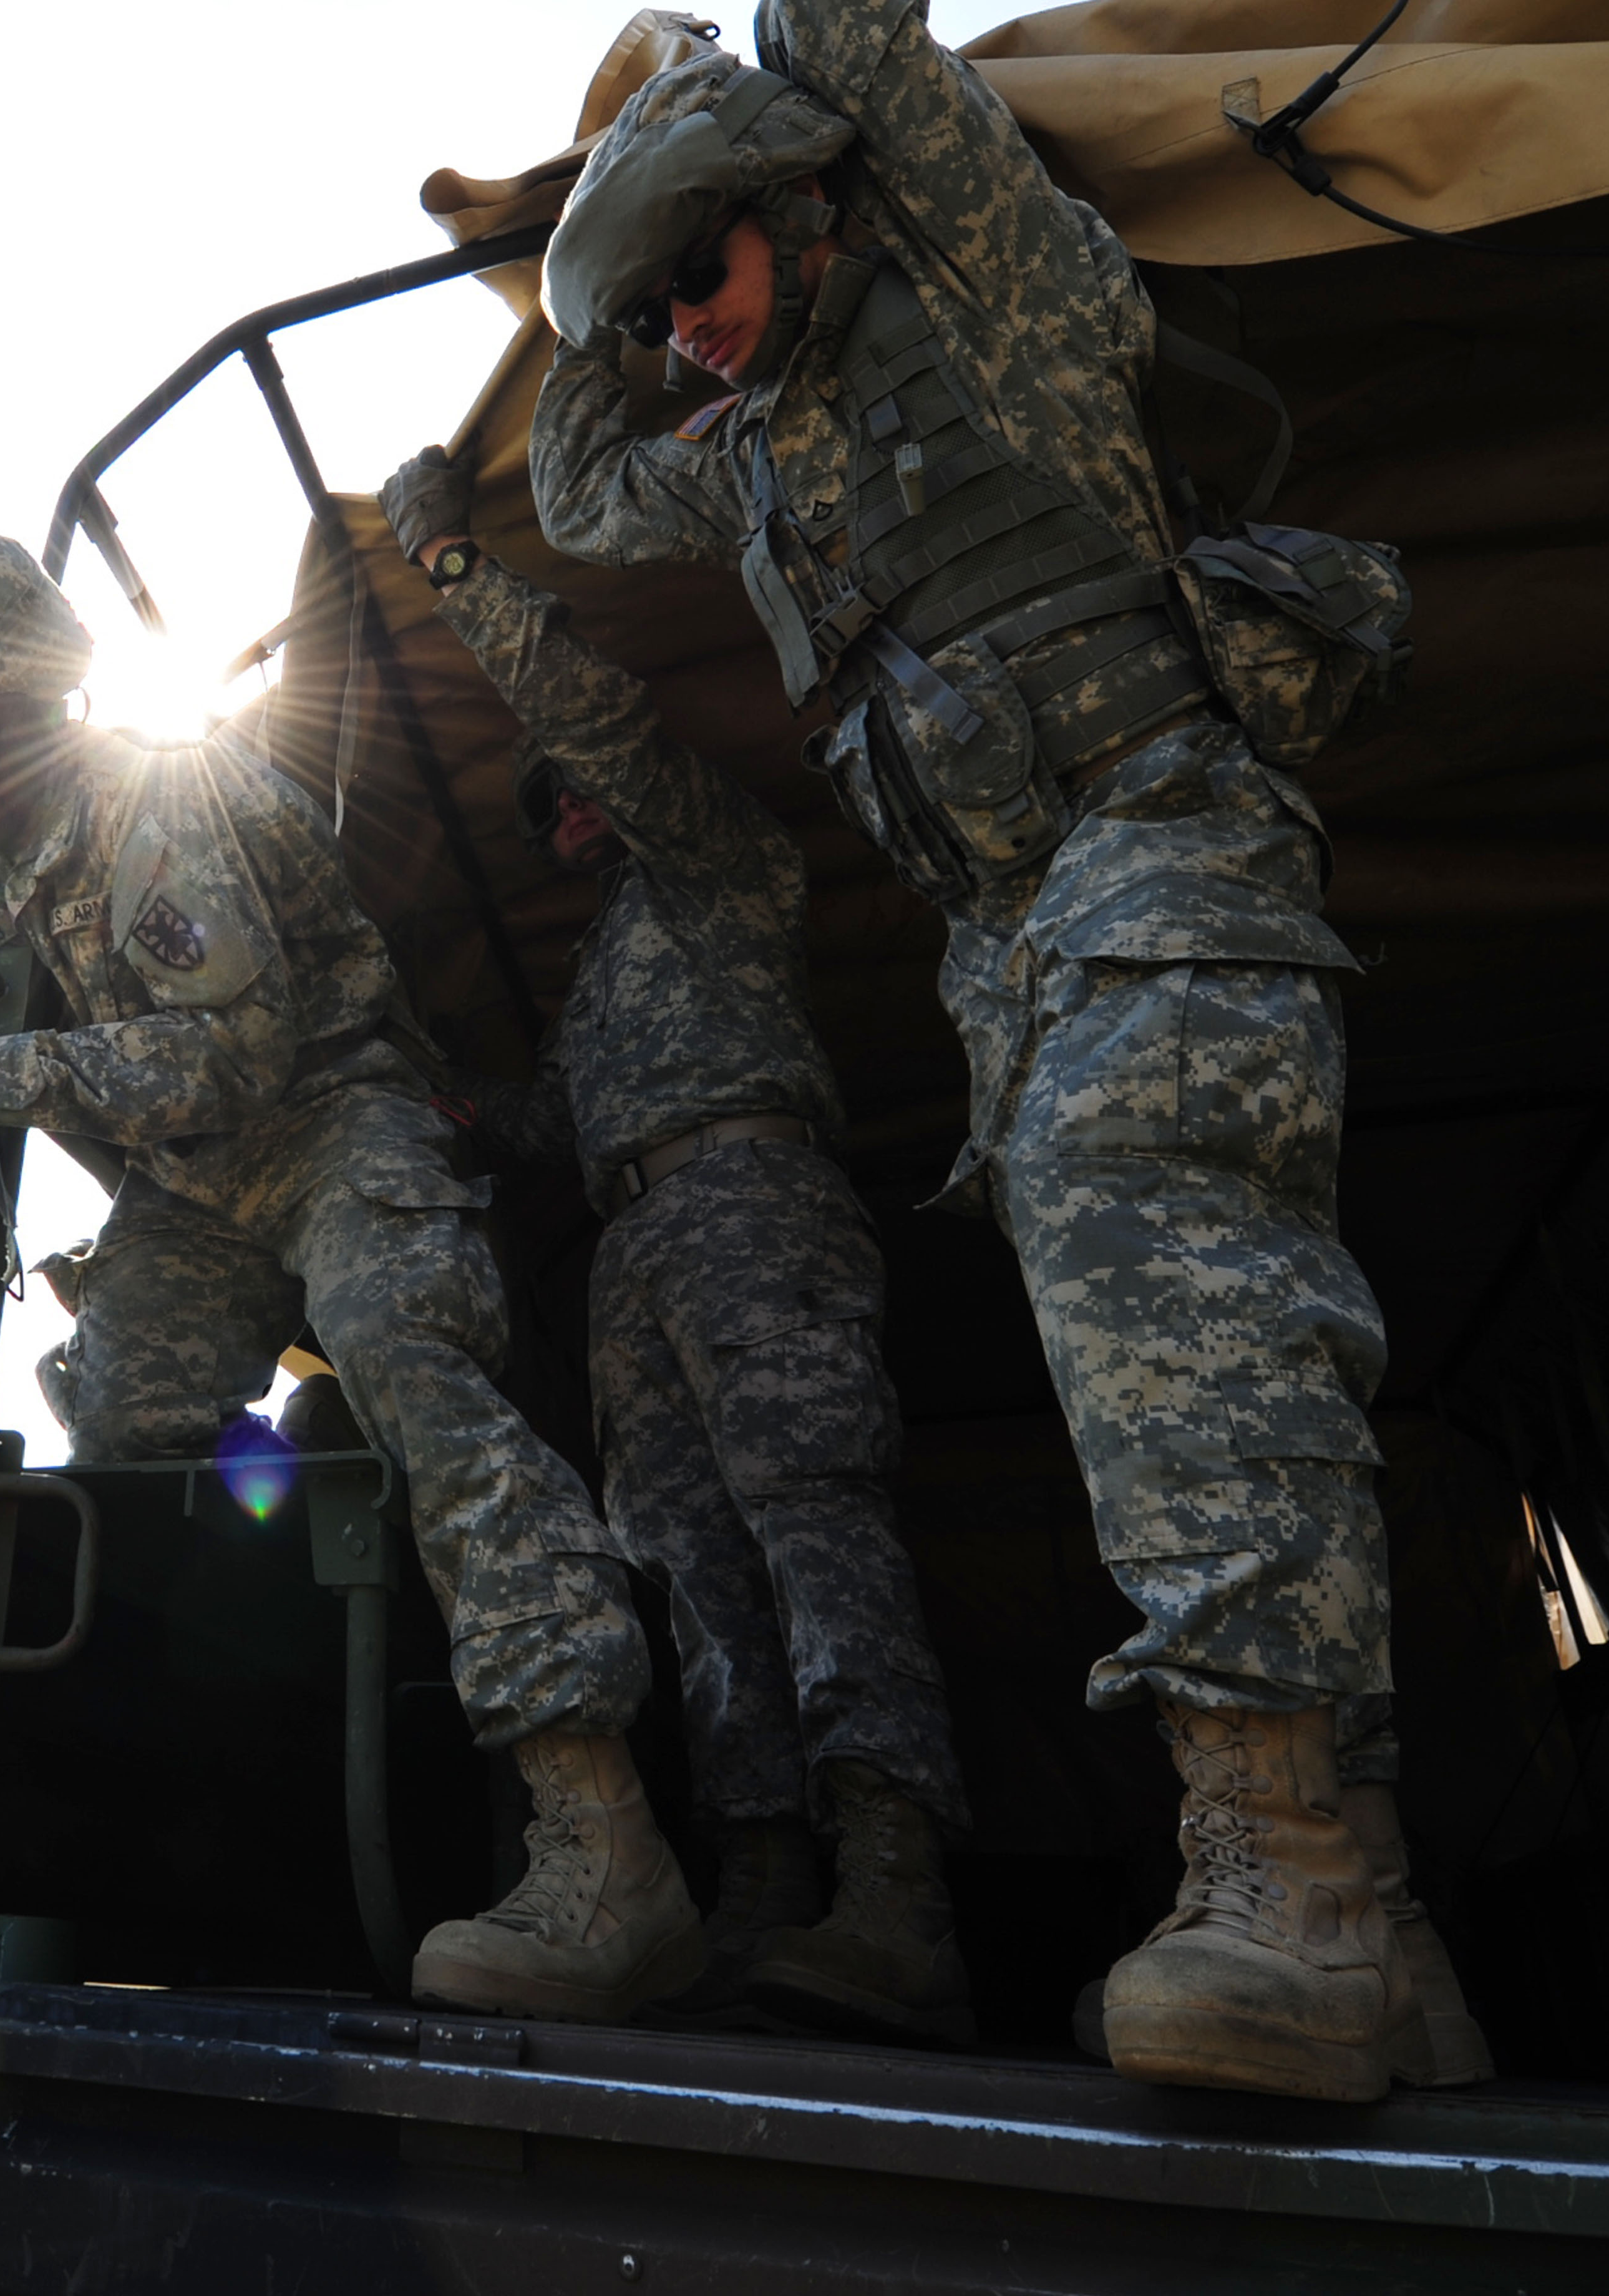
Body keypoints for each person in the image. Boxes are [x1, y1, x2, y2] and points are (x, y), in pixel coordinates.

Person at [516, 1, 1489, 2098]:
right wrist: (604, 230)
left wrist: (708, 85)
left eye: (710, 269)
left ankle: (1289, 1874)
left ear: (812, 204)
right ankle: (1376, 1927)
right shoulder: (755, 463)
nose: (688, 327)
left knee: (1168, 1286)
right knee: (1196, 1358)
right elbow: (578, 492)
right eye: (658, 303)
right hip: (1016, 940)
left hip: (1163, 842)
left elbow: (852, 36)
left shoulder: (994, 286)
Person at [0, 525, 696, 2023]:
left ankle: (606, 1845)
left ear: (45, 685)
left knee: (411, 1361)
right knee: (119, 1443)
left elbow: (243, 1050)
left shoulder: (172, 799)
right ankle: (233, 1811)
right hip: (189, 1197)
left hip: (333, 1118)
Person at [379, 445, 971, 2043]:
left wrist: (455, 565)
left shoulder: (718, 859)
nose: (563, 809)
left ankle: (896, 1896)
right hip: (640, 1242)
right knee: (693, 1573)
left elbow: (601, 727)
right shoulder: (603, 988)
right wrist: (436, 1099)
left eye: (572, 786)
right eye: (542, 809)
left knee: (812, 1526)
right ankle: (764, 1890)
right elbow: (547, 1130)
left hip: (750, 1202)